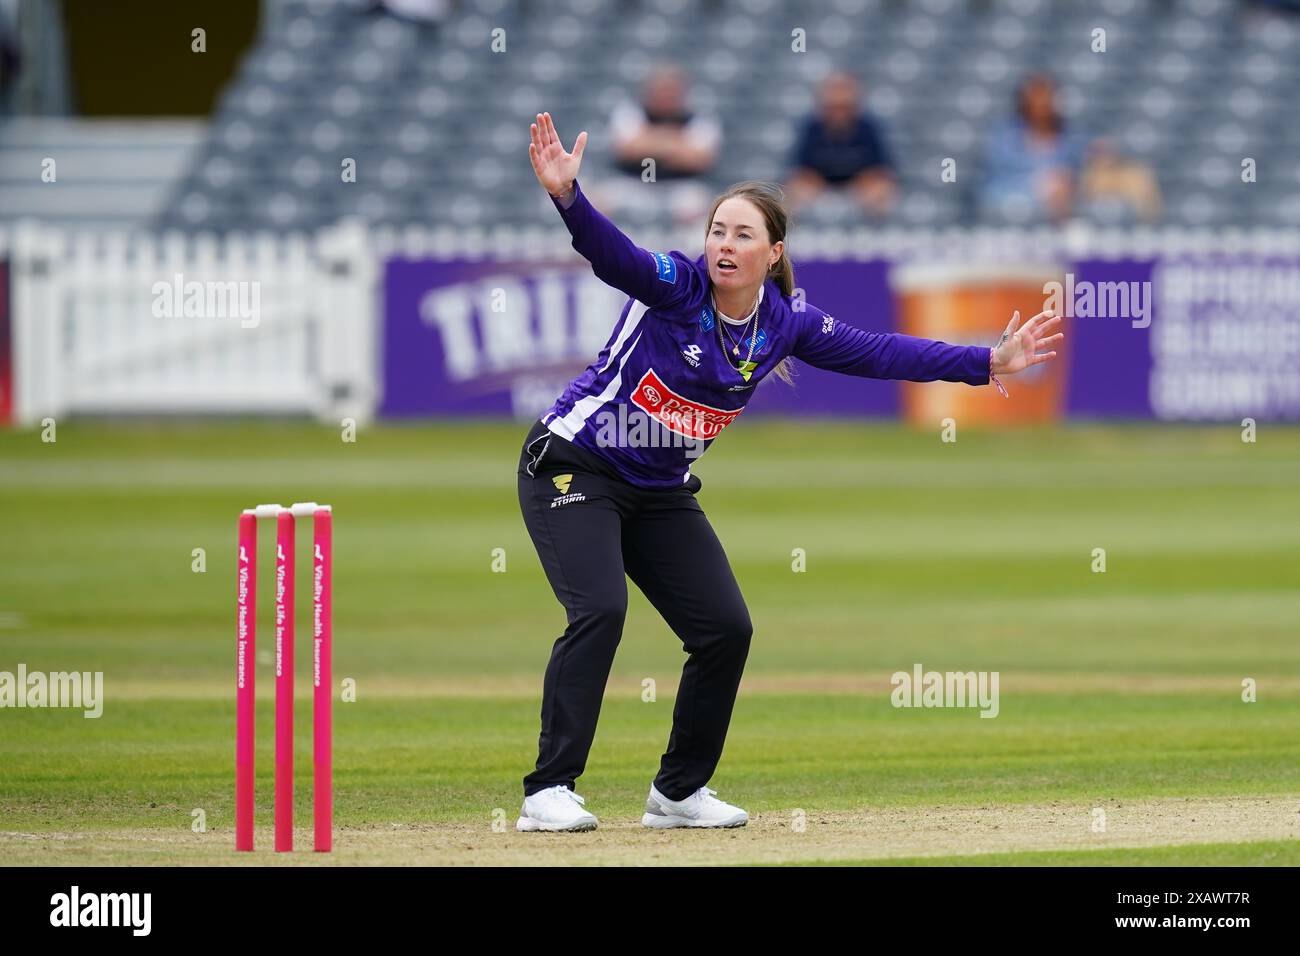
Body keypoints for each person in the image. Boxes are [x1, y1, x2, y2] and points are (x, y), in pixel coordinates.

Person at [516, 112, 1062, 832]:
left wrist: (987, 362)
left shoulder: (785, 322)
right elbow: (612, 255)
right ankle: (548, 790)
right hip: (573, 465)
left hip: (658, 492)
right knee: (601, 611)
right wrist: (569, 199)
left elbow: (881, 353)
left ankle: (677, 794)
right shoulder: (677, 287)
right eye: (717, 230)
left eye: (742, 235)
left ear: (773, 253)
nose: (724, 244)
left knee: (724, 630)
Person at [586, 63, 722, 227]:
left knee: (701, 207)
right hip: (633, 181)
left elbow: (696, 158)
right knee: (597, 201)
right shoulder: (630, 113)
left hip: (680, 185)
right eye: (661, 89)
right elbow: (628, 149)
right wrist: (675, 143)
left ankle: (684, 252)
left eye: (671, 90)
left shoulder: (699, 120)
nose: (666, 95)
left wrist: (650, 140)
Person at [784, 71, 897, 220]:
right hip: (820, 184)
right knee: (795, 189)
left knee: (882, 189)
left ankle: (874, 232)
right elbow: (800, 170)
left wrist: (859, 185)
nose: (839, 113)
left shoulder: (868, 128)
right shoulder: (812, 128)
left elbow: (880, 169)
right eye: (834, 107)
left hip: (860, 183)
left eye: (844, 107)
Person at [977, 72, 1086, 224]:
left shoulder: (1068, 136)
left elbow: (1076, 173)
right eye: (1037, 97)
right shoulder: (1005, 137)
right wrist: (1040, 186)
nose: (1042, 105)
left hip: (1061, 203)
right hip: (1012, 200)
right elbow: (995, 181)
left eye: (1047, 97)